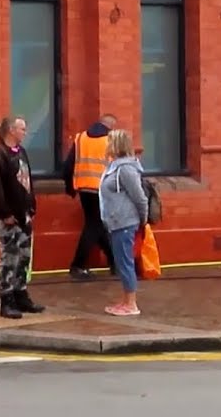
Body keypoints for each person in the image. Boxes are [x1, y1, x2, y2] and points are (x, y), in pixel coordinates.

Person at [0, 115, 45, 319]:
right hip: (9, 218)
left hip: (24, 215)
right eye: (22, 129)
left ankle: (21, 295)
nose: (25, 132)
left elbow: (27, 180)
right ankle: (7, 300)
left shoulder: (21, 153)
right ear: (11, 130)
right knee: (9, 258)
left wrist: (32, 207)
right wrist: (4, 214)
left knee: (24, 258)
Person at [98, 129, 148, 316]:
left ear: (116, 145)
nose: (106, 145)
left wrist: (143, 221)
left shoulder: (126, 169)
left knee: (125, 263)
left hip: (125, 223)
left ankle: (132, 304)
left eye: (109, 142)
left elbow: (140, 198)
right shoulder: (114, 166)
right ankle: (126, 300)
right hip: (115, 223)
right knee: (121, 262)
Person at [60, 113, 118, 279]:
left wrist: (70, 187)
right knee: (94, 226)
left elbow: (67, 165)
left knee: (97, 225)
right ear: (111, 127)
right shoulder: (110, 141)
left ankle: (114, 262)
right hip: (102, 190)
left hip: (84, 188)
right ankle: (77, 265)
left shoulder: (81, 138)